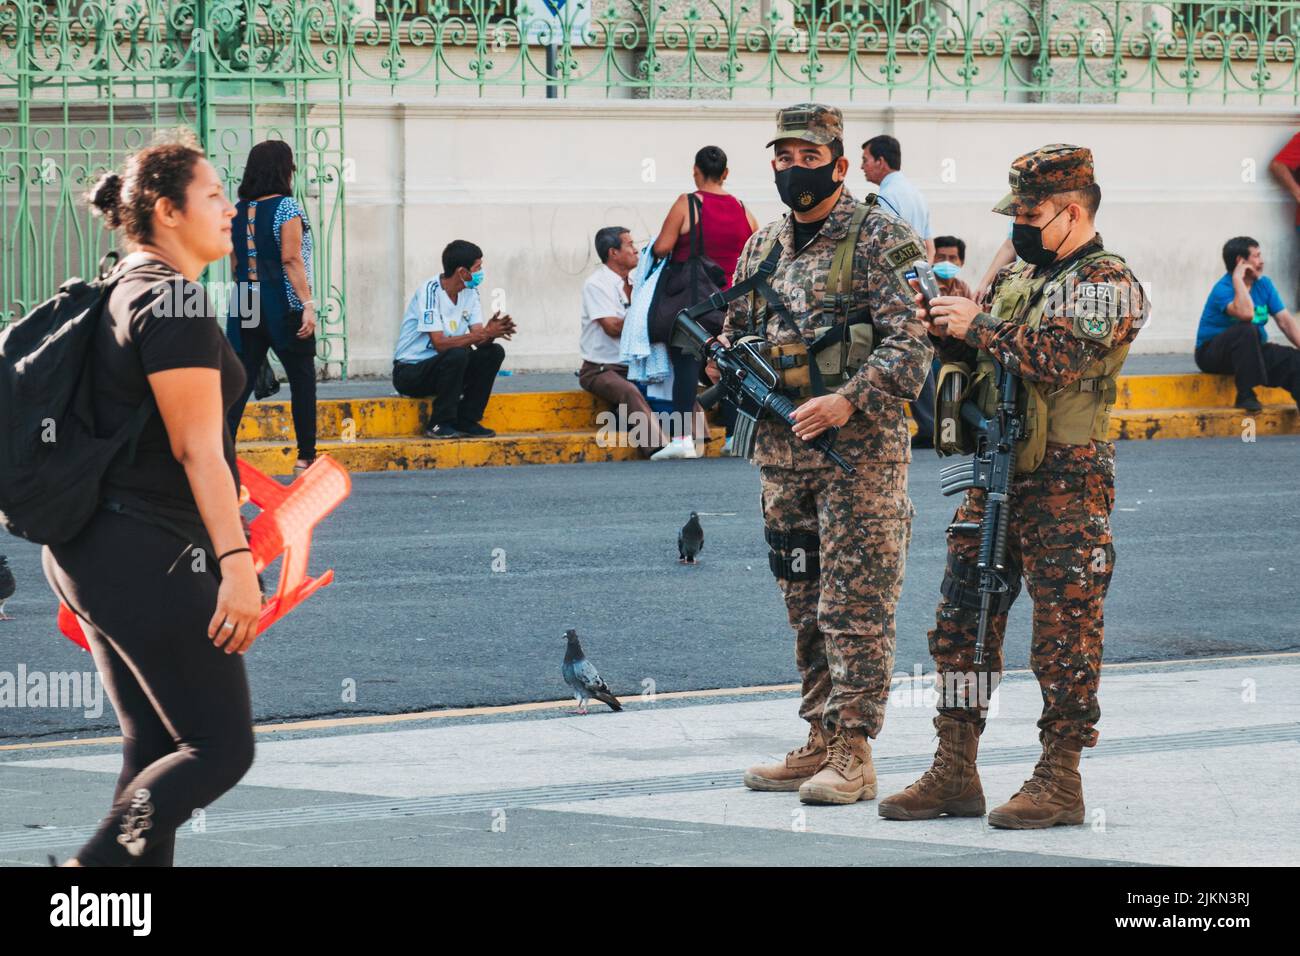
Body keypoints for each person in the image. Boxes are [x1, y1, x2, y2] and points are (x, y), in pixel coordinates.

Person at [879, 144, 1149, 829]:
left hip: (1067, 477)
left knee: (1065, 631)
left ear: (1071, 211)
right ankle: (955, 767)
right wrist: (950, 329)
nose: (1019, 226)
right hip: (997, 469)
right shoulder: (1021, 277)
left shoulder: (1106, 281)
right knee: (962, 620)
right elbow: (989, 352)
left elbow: (1056, 358)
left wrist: (983, 325)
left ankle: (1060, 778)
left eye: (1031, 213)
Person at [42, 130, 259, 866]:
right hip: (144, 551)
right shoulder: (173, 302)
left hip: (94, 547)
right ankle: (85, 881)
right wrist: (236, 561)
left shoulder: (124, 288)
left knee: (160, 746)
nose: (230, 210)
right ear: (167, 211)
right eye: (213, 197)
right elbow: (196, 449)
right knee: (220, 748)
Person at [726, 104, 932, 805]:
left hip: (859, 459)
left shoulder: (881, 237)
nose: (793, 169)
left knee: (856, 604)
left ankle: (856, 750)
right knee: (803, 600)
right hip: (783, 459)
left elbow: (914, 341)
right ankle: (818, 735)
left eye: (808, 158)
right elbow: (736, 331)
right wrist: (733, 367)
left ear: (841, 164)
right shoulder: (762, 246)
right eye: (782, 158)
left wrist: (849, 398)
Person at [649, 145, 758, 460]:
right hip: (732, 301)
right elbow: (758, 244)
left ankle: (683, 439)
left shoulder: (688, 203)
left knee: (685, 362)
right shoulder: (740, 207)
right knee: (730, 367)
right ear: (725, 174)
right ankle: (735, 436)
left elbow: (662, 247)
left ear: (695, 171)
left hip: (695, 301)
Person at [222, 141, 319, 478]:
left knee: (241, 379)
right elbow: (290, 258)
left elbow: (235, 261)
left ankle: (222, 453)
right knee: (302, 377)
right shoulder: (286, 208)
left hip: (246, 296)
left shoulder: (236, 210)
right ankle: (306, 457)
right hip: (282, 300)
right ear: (283, 169)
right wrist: (307, 304)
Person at [392, 241, 515, 439]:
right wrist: (481, 334)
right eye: (478, 268)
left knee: (493, 353)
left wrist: (491, 333)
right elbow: (440, 343)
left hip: (448, 369)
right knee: (456, 354)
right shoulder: (429, 291)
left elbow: (477, 335)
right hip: (411, 372)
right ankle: (439, 423)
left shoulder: (471, 292)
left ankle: (467, 420)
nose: (481, 272)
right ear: (462, 272)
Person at [861, 134, 937, 447]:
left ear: (881, 161)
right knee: (920, 349)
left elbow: (879, 246)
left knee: (897, 349)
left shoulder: (886, 198)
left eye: (865, 160)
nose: (863, 167)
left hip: (896, 284)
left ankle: (921, 422)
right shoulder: (915, 194)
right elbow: (928, 245)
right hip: (917, 278)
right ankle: (932, 421)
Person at [578, 226, 668, 453]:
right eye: (629, 245)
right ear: (613, 253)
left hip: (635, 365)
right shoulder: (596, 284)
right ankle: (657, 447)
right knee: (629, 391)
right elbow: (611, 327)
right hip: (601, 369)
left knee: (671, 381)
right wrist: (646, 312)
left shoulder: (638, 281)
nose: (636, 251)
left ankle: (695, 439)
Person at [1193, 237, 1300, 412]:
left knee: (1294, 360)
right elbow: (1246, 314)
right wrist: (1237, 278)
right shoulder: (1223, 288)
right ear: (1240, 261)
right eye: (1256, 256)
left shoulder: (1264, 285)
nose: (1262, 261)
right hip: (1212, 354)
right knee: (1247, 330)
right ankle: (1245, 394)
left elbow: (1285, 321)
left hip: (1251, 351)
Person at [932, 235, 974, 299]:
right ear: (932, 259)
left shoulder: (962, 287)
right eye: (941, 257)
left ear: (962, 262)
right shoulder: (927, 285)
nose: (947, 262)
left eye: (952, 258)